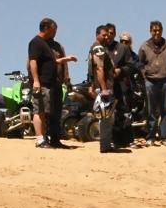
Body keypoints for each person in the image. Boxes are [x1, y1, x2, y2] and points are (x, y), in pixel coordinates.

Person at [28, 17, 77, 149]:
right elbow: (33, 62)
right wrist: (36, 81)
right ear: (47, 28)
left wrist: (65, 59)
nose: (55, 32)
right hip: (42, 83)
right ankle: (40, 139)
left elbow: (51, 61)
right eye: (54, 29)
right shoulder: (36, 42)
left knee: (53, 112)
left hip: (53, 83)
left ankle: (54, 140)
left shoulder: (48, 44)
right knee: (40, 111)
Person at [138, 21, 166, 146]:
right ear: (150, 31)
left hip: (165, 81)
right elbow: (139, 63)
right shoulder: (145, 46)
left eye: (159, 30)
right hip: (150, 81)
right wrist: (144, 75)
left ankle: (165, 136)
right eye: (154, 30)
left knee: (165, 110)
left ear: (162, 30)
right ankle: (151, 137)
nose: (157, 33)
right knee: (151, 111)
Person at [89, 27, 128, 154]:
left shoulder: (99, 48)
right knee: (106, 117)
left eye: (108, 35)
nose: (107, 37)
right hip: (104, 88)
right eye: (104, 35)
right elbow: (99, 69)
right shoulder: (98, 48)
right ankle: (105, 145)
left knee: (108, 117)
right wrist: (104, 89)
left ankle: (106, 144)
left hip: (104, 86)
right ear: (97, 35)